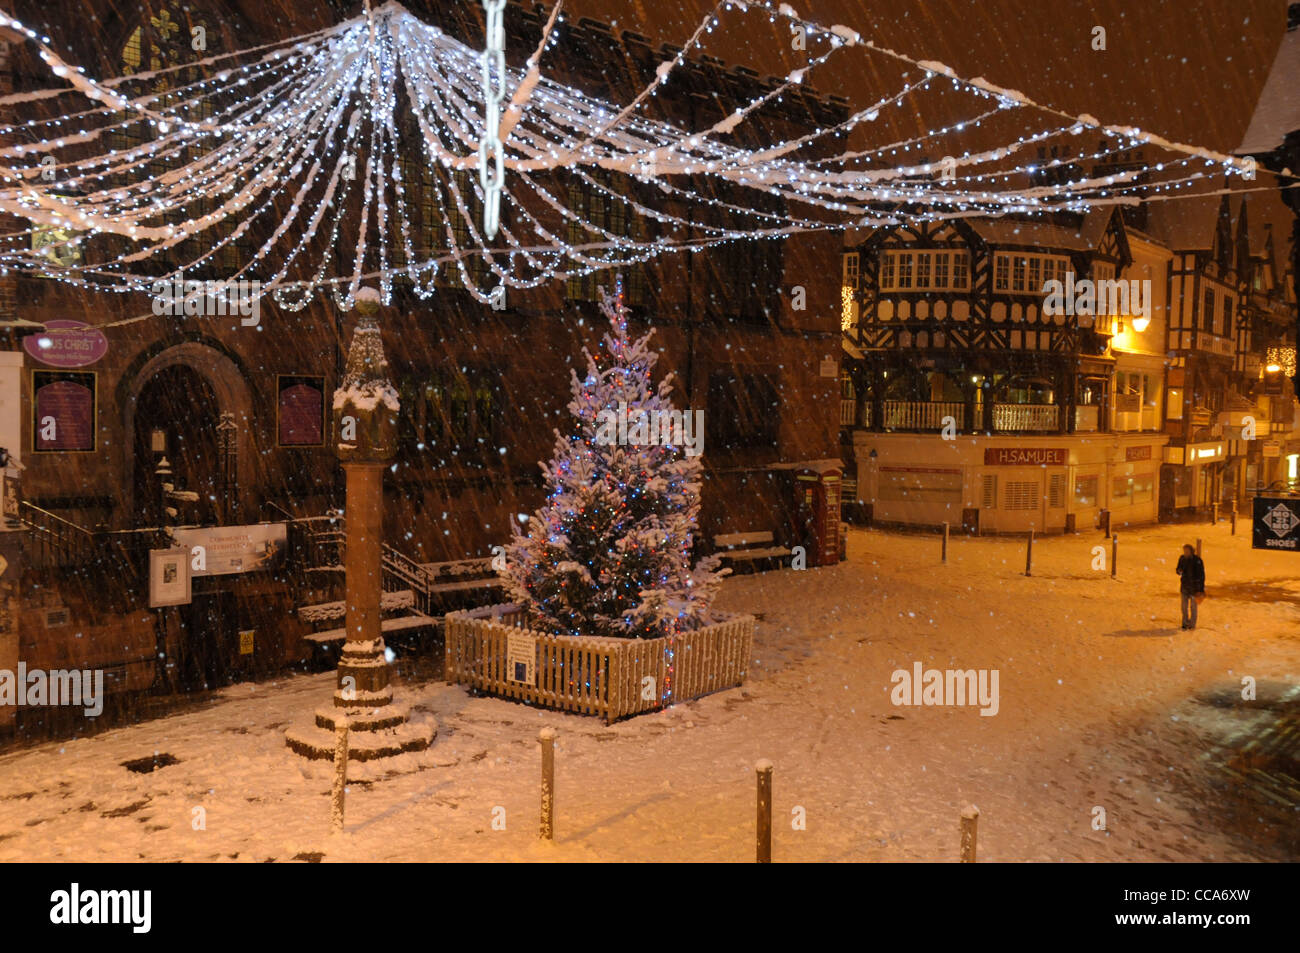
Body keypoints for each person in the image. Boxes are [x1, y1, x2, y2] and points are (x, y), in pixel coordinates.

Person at [1175, 544, 1206, 630]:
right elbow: (1178, 569)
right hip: (1184, 586)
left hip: (1194, 588)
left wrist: (1201, 589)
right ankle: (1185, 623)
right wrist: (1179, 571)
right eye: (1184, 551)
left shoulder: (1197, 560)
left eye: (1187, 551)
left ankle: (1192, 624)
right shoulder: (1182, 559)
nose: (1185, 553)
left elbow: (1201, 575)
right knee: (1184, 607)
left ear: (1191, 551)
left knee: (1193, 607)